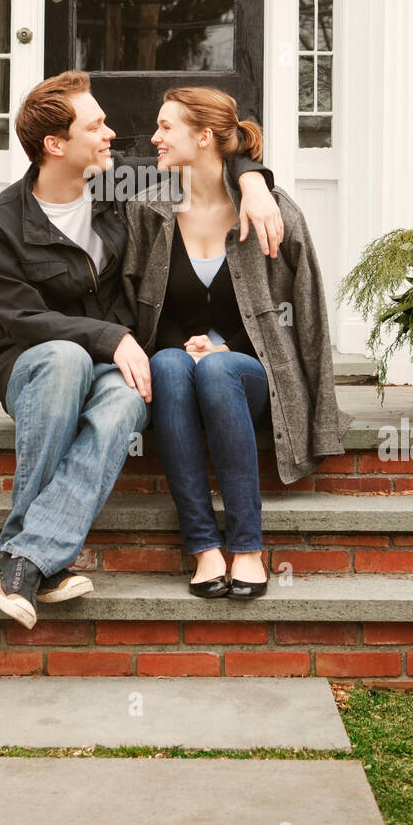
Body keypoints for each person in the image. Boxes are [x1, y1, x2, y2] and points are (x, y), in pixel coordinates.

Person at [0, 70, 284, 629]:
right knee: (67, 358)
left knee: (124, 400)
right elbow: (22, 318)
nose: (112, 134)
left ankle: (25, 558)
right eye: (96, 125)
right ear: (55, 144)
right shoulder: (0, 222)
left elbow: (211, 155)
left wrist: (255, 181)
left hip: (113, 364)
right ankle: (34, 551)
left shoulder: (115, 194)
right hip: (32, 362)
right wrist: (112, 338)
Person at [121, 87, 354, 599]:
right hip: (178, 376)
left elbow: (310, 312)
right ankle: (204, 547)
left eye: (166, 127)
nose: (154, 137)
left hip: (250, 380)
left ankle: (247, 547)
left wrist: (321, 414)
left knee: (219, 369)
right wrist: (182, 347)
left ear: (204, 137)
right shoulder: (146, 212)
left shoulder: (272, 211)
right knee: (170, 364)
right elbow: (135, 308)